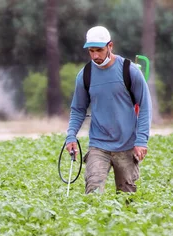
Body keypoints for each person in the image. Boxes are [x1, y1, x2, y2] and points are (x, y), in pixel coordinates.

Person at [65, 26, 152, 194]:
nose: (95, 56)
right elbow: (78, 109)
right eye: (91, 51)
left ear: (110, 46)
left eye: (99, 50)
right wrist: (71, 136)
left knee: (127, 197)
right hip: (99, 144)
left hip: (126, 145)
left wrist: (141, 140)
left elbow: (145, 107)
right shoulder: (85, 75)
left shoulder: (129, 71)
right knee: (93, 191)